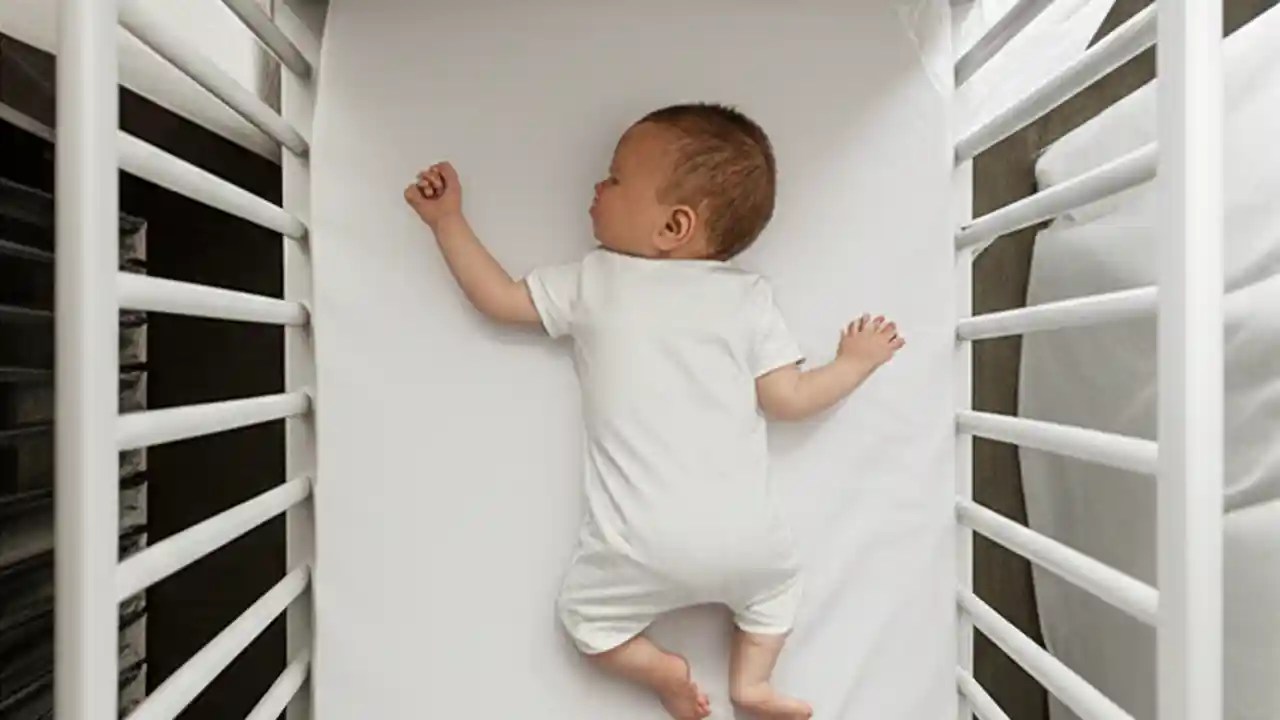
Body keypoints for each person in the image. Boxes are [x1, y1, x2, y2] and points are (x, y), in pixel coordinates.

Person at [404, 103, 904, 720]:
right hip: (748, 544)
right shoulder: (746, 298)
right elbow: (790, 399)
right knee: (778, 593)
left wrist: (447, 222)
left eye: (614, 179)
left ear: (673, 226)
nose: (597, 186)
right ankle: (752, 682)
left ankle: (662, 671)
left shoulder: (597, 282)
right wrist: (853, 364)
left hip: (639, 548)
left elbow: (499, 299)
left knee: (587, 621)